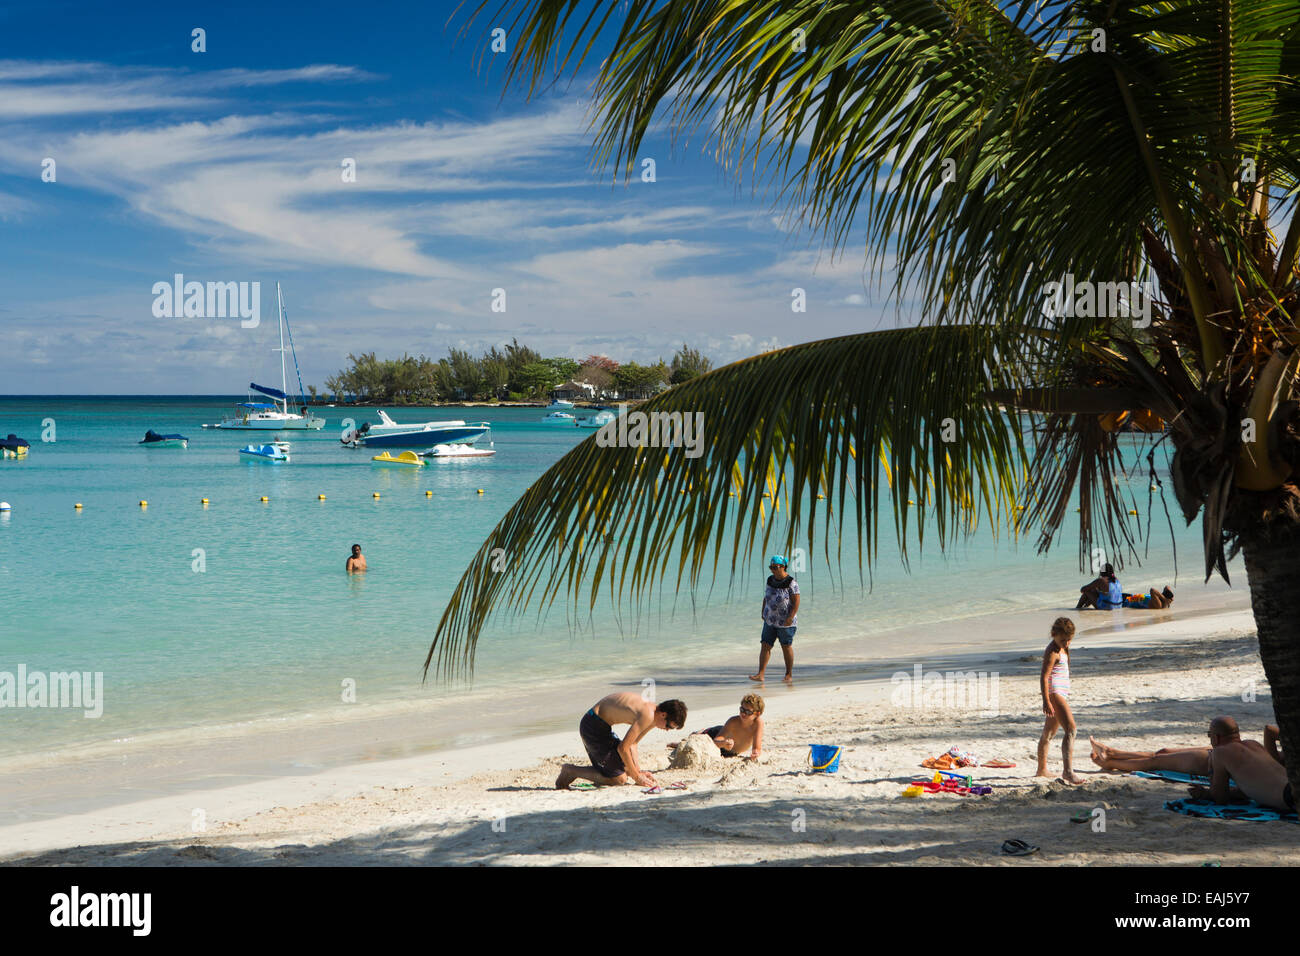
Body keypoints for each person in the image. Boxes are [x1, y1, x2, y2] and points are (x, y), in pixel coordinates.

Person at [555, 692, 687, 789]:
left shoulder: (654, 718)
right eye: (669, 726)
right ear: (663, 715)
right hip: (592, 725)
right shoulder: (648, 714)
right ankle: (571, 770)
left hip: (602, 727)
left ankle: (603, 771)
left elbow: (633, 744)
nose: (667, 730)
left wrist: (638, 772)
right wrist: (636, 777)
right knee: (619, 779)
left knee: (627, 768)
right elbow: (623, 748)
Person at [1188, 716, 1294, 812]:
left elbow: (1220, 799)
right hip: (1294, 784)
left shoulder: (1220, 752)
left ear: (1216, 738)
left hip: (1290, 796)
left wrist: (1205, 793)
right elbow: (1246, 792)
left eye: (1209, 735)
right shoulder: (1254, 744)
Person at [1089, 724, 1283, 775]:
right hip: (1230, 751)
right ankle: (1112, 752)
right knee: (1163, 751)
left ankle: (1110, 762)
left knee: (1155, 762)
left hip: (1212, 762)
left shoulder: (1276, 763)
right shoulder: (1277, 763)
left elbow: (1269, 730)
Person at [1036, 616, 1084, 784]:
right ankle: (1068, 772)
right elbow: (1044, 677)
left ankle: (1041, 769)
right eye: (1063, 640)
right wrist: (1046, 701)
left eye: (1069, 640)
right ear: (1053, 634)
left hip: (1061, 692)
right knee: (1071, 729)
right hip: (1055, 693)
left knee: (1048, 733)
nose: (1066, 643)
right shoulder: (1052, 651)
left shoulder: (1063, 648)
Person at [750, 555, 800, 683]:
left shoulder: (791, 582)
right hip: (770, 620)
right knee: (765, 645)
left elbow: (796, 602)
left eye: (775, 567)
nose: (772, 570)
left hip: (786, 622)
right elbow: (766, 596)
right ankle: (760, 674)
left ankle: (788, 674)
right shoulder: (770, 580)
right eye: (770, 567)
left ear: (783, 567)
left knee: (786, 646)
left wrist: (790, 617)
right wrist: (763, 611)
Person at [670, 694, 765, 760]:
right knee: (695, 739)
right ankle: (687, 739)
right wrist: (723, 743)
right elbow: (715, 741)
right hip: (718, 736)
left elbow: (757, 747)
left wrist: (756, 753)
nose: (743, 713)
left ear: (757, 714)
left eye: (748, 712)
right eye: (742, 709)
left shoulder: (758, 724)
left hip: (730, 752)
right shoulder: (733, 721)